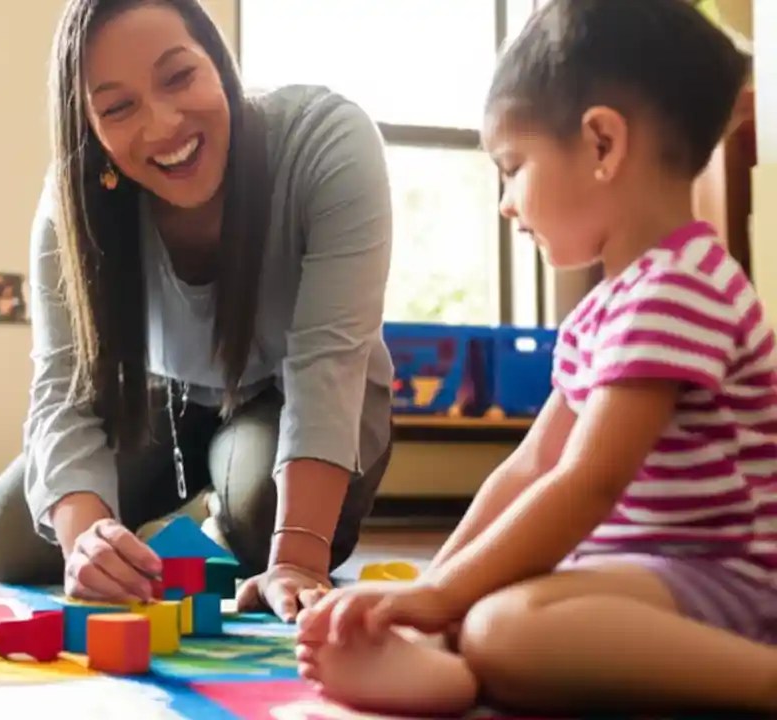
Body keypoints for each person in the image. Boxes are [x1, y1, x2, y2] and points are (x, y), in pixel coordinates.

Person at [295, 0, 776, 716]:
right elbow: (530, 467)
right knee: (480, 604)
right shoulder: (606, 308)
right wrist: (438, 582)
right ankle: (458, 664)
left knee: (501, 626)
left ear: (603, 145)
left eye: (513, 168)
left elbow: (587, 480)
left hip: (725, 582)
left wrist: (444, 597)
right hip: (639, 574)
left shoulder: (680, 289)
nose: (506, 205)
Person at [0, 0, 395, 622]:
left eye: (179, 77)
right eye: (119, 108)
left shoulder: (326, 140)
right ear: (89, 125)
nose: (164, 124)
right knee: (13, 546)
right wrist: (88, 541)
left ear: (218, 63)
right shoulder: (73, 202)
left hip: (294, 398)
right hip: (162, 399)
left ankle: (215, 515)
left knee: (264, 528)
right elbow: (62, 389)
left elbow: (328, 365)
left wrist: (298, 557)